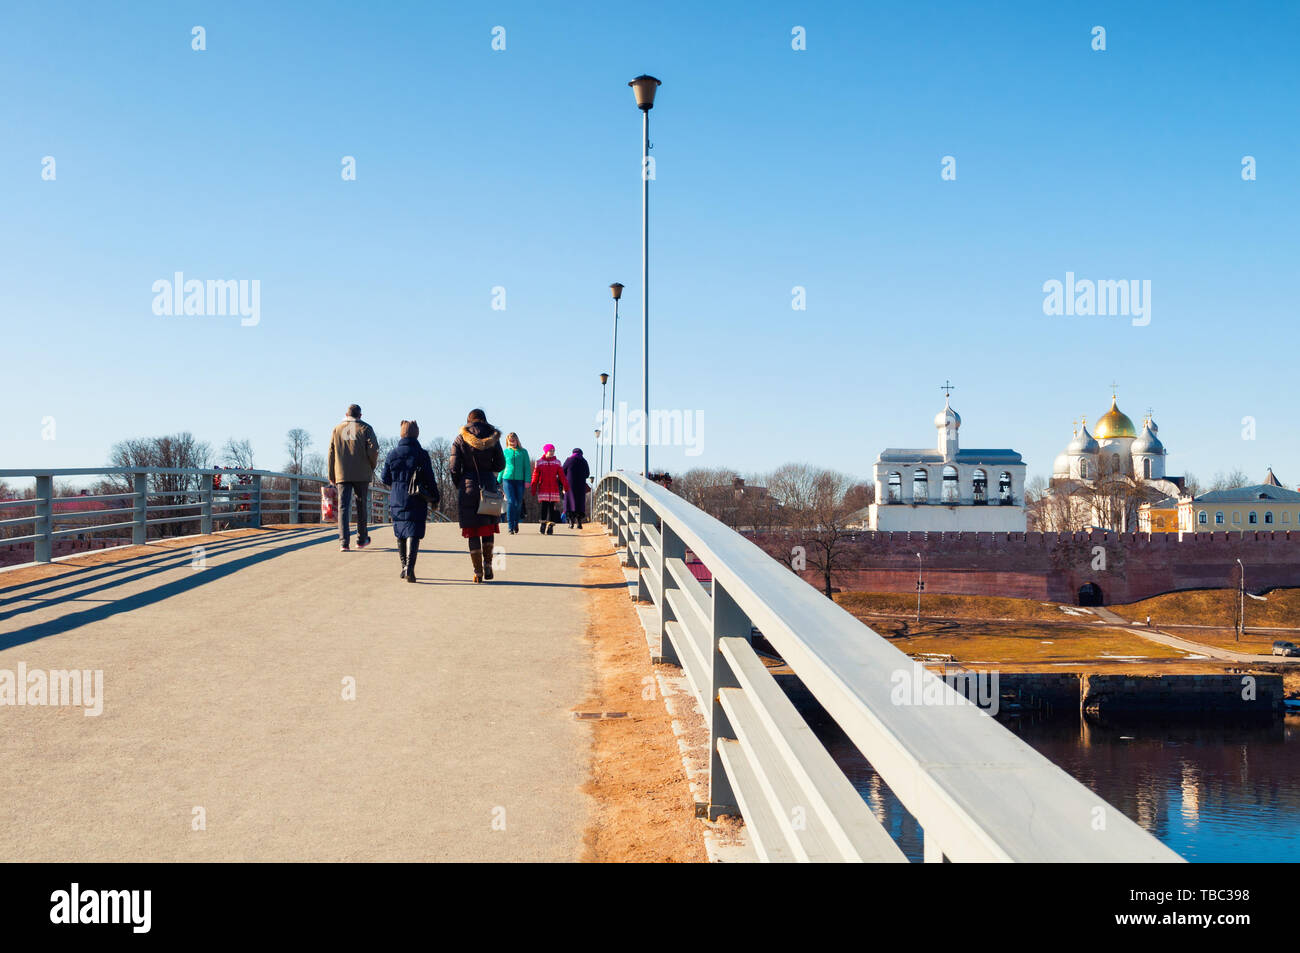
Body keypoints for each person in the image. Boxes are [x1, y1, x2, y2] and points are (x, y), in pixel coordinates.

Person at [449, 408, 506, 583]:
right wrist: (488, 470)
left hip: (468, 487)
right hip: (488, 484)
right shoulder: (493, 438)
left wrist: (460, 483)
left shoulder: (460, 438)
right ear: (484, 420)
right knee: (487, 527)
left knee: (473, 530)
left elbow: (453, 467)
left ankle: (478, 572)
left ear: (469, 421)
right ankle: (488, 564)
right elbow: (500, 464)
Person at [381, 420, 438, 583]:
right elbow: (430, 478)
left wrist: (398, 481)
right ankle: (410, 568)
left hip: (398, 496)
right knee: (414, 531)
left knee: (400, 531)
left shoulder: (392, 454)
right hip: (417, 497)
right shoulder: (422, 454)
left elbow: (385, 478)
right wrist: (435, 496)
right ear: (416, 434)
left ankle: (403, 566)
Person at [328, 403, 380, 551]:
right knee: (361, 505)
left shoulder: (337, 429)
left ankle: (344, 542)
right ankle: (361, 539)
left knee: (343, 507)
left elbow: (331, 452)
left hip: (342, 473)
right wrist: (371, 465)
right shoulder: (366, 428)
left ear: (346, 414)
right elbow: (374, 449)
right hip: (362, 473)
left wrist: (331, 474)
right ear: (360, 415)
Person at [529, 444, 569, 535]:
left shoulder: (557, 462)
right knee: (544, 507)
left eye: (553, 451)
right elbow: (535, 475)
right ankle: (543, 525)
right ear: (546, 451)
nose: (551, 452)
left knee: (552, 508)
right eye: (550, 451)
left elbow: (562, 475)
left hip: (553, 488)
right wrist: (534, 486)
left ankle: (550, 526)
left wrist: (565, 485)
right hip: (544, 488)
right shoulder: (539, 462)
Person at [498, 433, 531, 535]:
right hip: (507, 479)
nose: (512, 442)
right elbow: (502, 467)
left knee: (518, 503)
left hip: (520, 480)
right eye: (510, 440)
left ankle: (516, 523)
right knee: (511, 501)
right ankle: (510, 526)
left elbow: (527, 467)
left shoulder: (523, 452)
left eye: (514, 440)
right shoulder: (505, 452)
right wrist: (498, 479)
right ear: (507, 441)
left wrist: (527, 480)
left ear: (517, 440)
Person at [562, 448, 590, 529]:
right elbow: (587, 474)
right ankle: (579, 523)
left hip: (570, 485)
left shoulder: (569, 460)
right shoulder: (584, 461)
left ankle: (571, 523)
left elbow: (563, 471)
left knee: (570, 504)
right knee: (579, 504)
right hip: (580, 486)